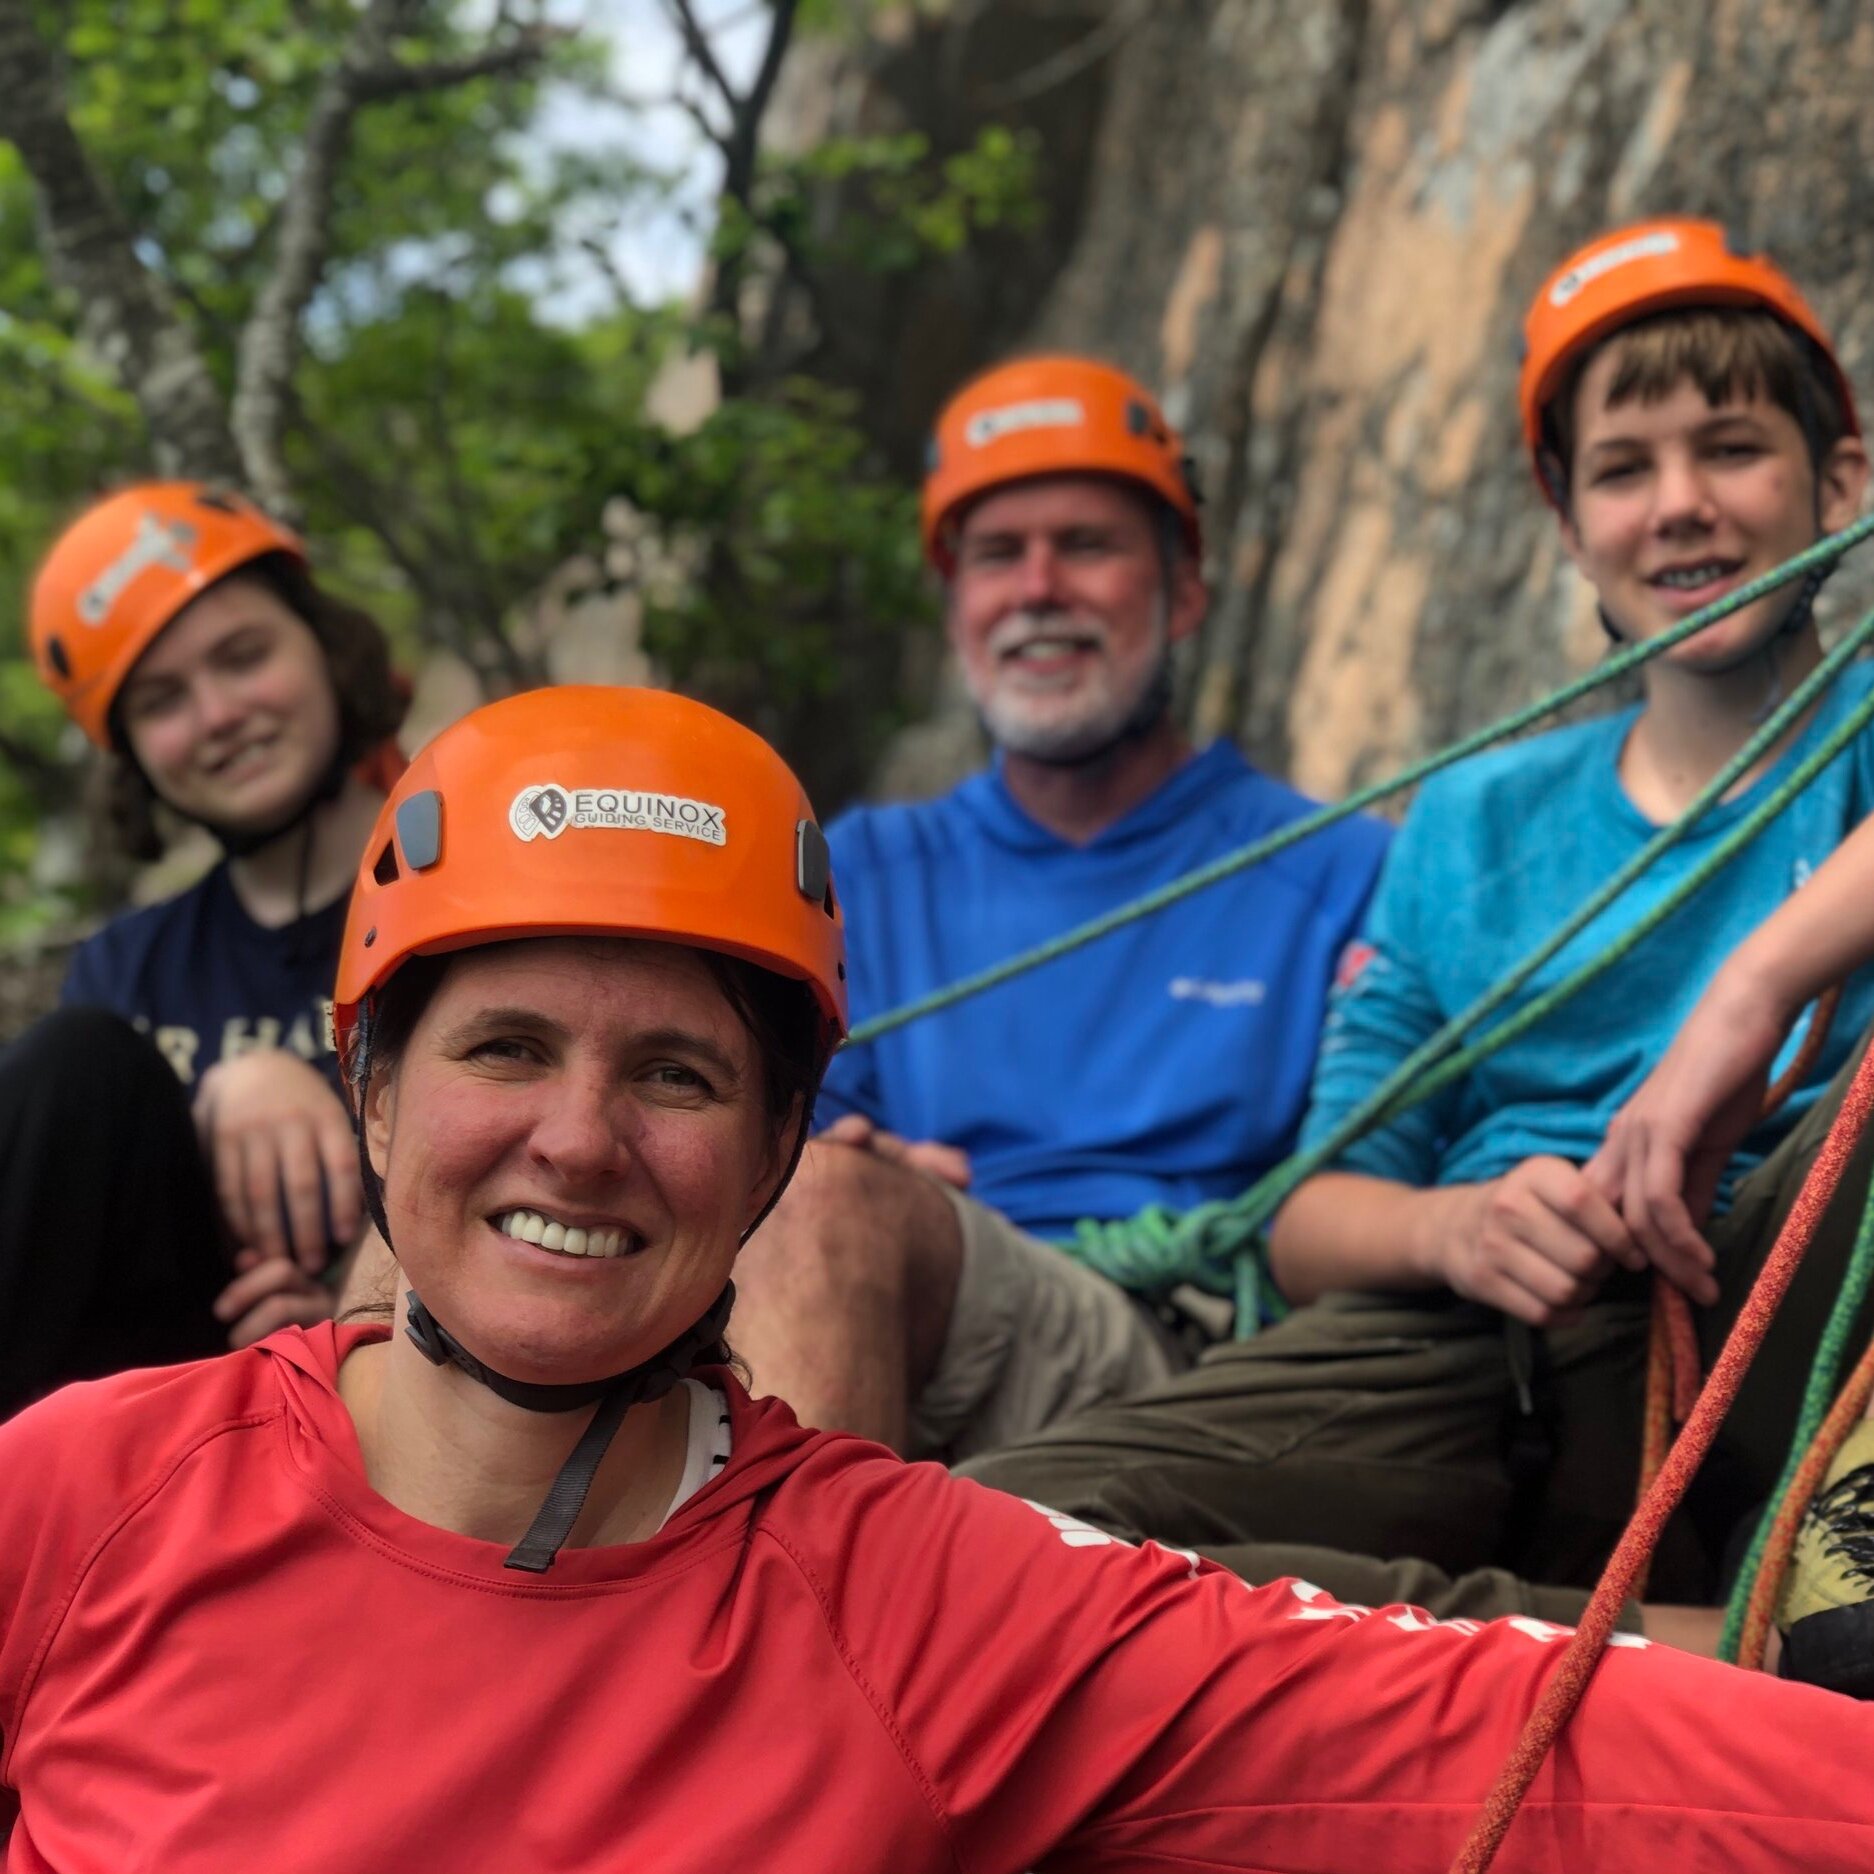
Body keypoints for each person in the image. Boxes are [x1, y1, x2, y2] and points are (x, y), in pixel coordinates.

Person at [11, 681, 1874, 1872]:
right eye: (503, 1045)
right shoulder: (85, 1497)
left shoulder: (912, 1604)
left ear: (773, 1142)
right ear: (371, 1078)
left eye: (674, 1073)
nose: (578, 1138)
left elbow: (1492, 1737)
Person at [960, 218, 1874, 1637]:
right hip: (1488, 1339)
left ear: (1841, 481)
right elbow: (1315, 1214)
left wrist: (1756, 981)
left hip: (1779, 1282)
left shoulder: (1860, 739)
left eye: (1733, 449)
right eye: (1623, 470)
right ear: (1569, 527)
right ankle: (1676, 1645)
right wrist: (1459, 1225)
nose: (1678, 504)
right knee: (1003, 1529)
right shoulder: (1475, 820)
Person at [728, 355, 1391, 1457]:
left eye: (1084, 545)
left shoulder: (1337, 873)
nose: (1037, 587)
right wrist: (839, 1158)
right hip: (908, 1298)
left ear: (1181, 595)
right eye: (996, 555)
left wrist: (838, 1201)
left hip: (1194, 1353)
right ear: (955, 615)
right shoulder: (864, 868)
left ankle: (808, 1629)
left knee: (823, 1213)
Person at [0, 482, 406, 1418]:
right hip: (154, 1402)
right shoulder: (124, 970)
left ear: (326, 649)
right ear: (134, 755)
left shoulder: (468, 885)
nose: (220, 714)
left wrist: (361, 1308)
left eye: (244, 655)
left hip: (406, 1397)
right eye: (163, 699)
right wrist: (224, 1090)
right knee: (77, 1060)